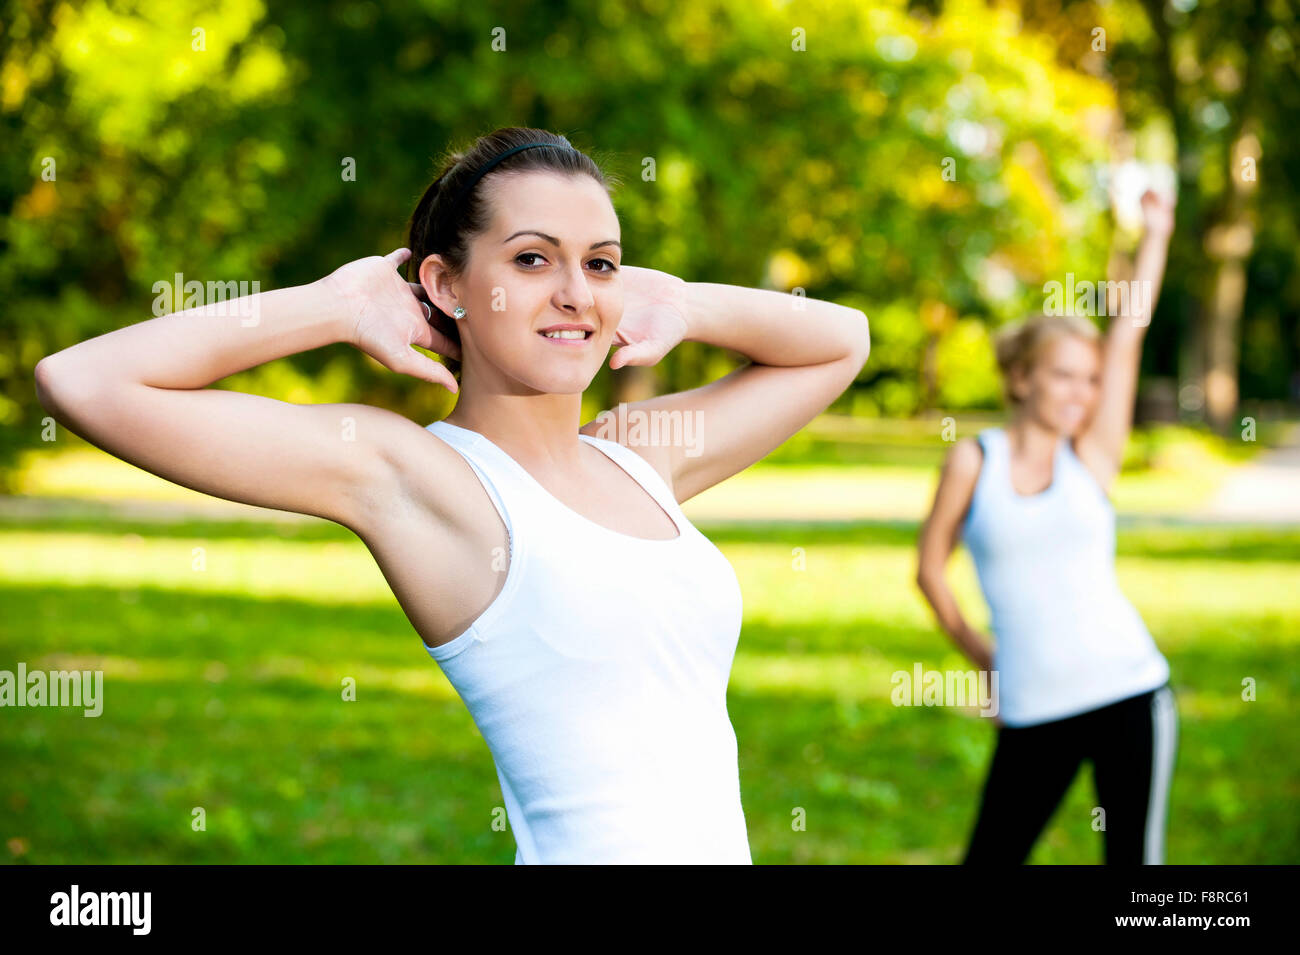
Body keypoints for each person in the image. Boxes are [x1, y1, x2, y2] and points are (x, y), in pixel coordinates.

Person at [33, 127, 871, 864]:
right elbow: (85, 381)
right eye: (533, 259)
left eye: (601, 261)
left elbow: (841, 341)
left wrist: (681, 300)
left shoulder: (639, 458)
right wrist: (334, 306)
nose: (576, 291)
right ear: (446, 285)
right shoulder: (423, 478)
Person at [914, 189, 1178, 864]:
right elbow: (929, 569)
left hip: (1129, 690)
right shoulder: (972, 460)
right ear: (1020, 376)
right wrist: (985, 660)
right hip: (1033, 704)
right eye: (1064, 376)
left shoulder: (1093, 455)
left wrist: (1157, 232)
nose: (1081, 394)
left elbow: (1129, 335)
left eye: (1090, 382)